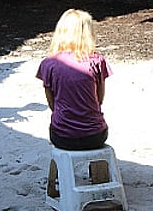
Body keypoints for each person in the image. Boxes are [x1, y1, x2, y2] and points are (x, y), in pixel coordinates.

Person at [37, 9, 111, 151]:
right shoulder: (97, 61)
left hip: (62, 136)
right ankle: (97, 172)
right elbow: (99, 100)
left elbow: (52, 103)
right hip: (94, 135)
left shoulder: (49, 63)